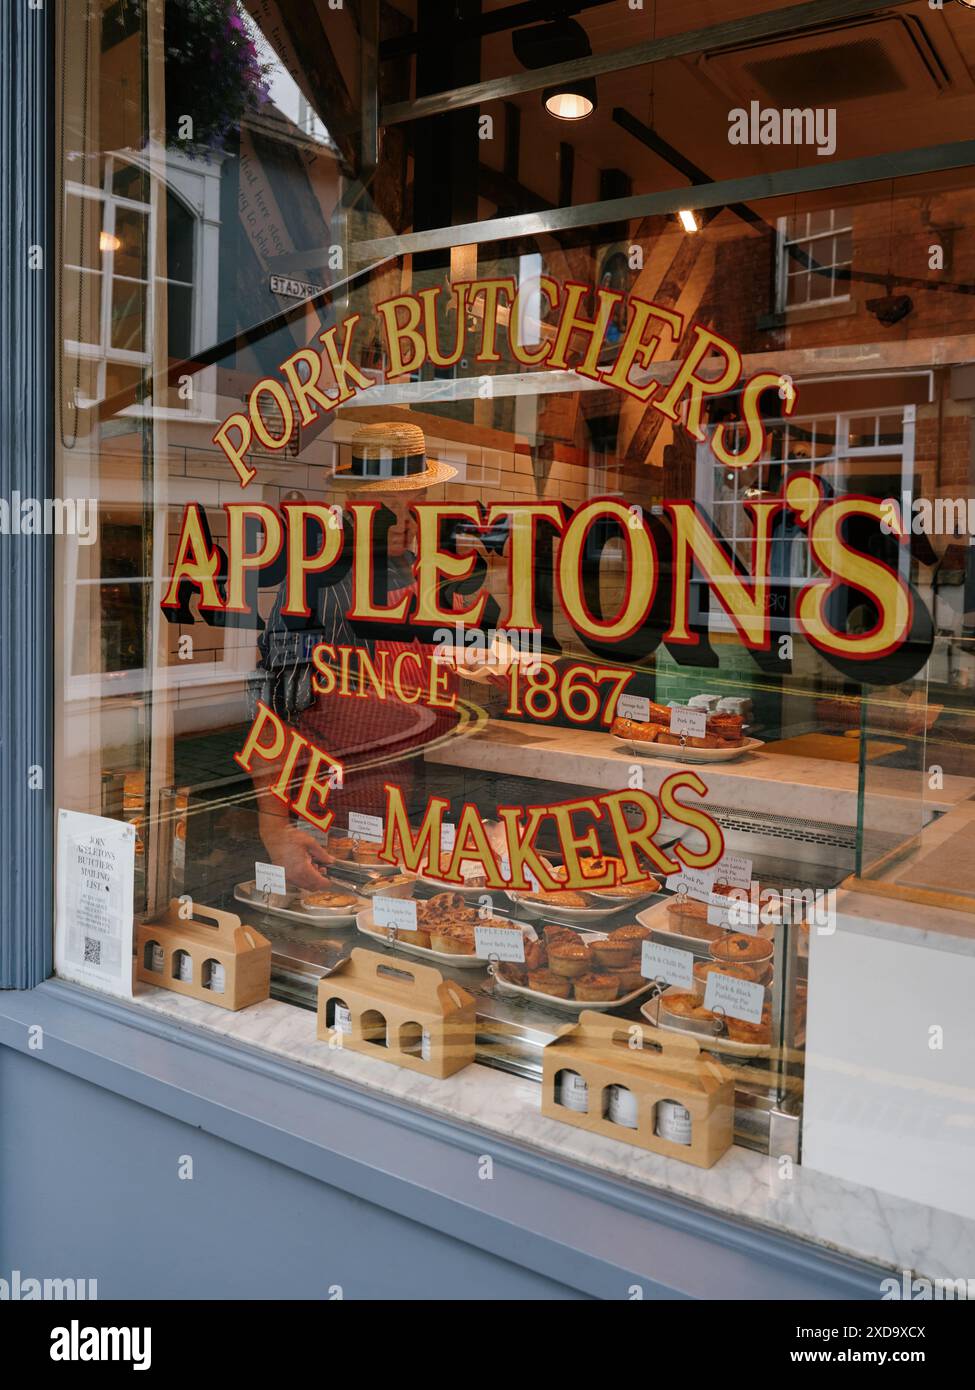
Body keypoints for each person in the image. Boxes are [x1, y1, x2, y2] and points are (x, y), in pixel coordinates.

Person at [252, 421, 467, 888]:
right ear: (354, 504)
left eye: (412, 503)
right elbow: (271, 707)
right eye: (386, 505)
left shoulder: (418, 575)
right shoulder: (320, 579)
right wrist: (275, 829)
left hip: (402, 813)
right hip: (325, 823)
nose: (403, 519)